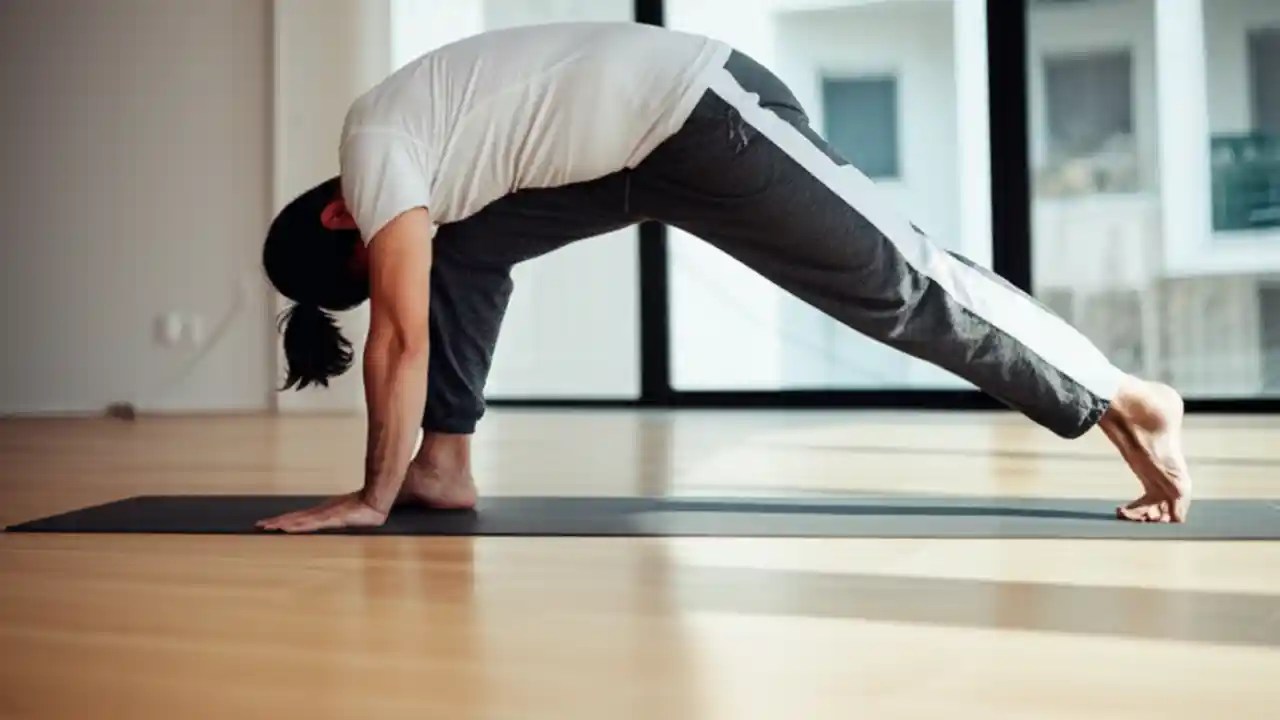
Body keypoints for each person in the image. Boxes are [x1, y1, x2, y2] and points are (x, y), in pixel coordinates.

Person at [257, 21, 1190, 534]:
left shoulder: (373, 150)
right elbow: (421, 305)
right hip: (609, 159)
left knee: (896, 282)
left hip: (696, 111)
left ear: (342, 214)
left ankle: (1120, 396)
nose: (391, 273)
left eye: (370, 266)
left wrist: (367, 498)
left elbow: (401, 335)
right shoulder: (405, 154)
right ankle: (444, 466)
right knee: (464, 251)